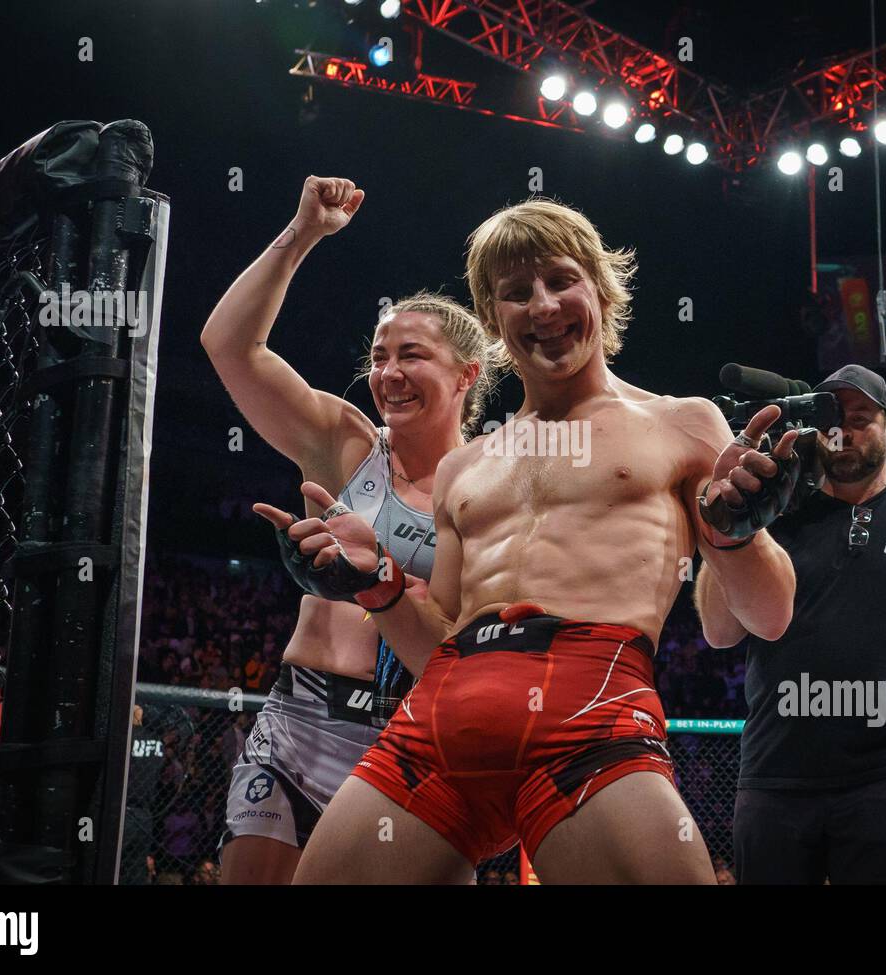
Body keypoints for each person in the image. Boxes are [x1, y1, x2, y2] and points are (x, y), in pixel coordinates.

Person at [257, 197, 799, 884]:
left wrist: (735, 533)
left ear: (601, 289)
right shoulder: (466, 465)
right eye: (515, 292)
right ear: (491, 319)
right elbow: (436, 645)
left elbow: (760, 617)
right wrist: (377, 583)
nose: (542, 306)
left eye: (560, 281)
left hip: (590, 718)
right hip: (440, 720)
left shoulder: (682, 423)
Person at [201, 176, 495, 884]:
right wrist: (301, 236)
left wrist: (384, 580)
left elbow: (467, 645)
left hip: (412, 734)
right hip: (298, 719)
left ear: (466, 375)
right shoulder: (346, 443)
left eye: (411, 356)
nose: (387, 373)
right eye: (379, 356)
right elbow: (229, 345)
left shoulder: (491, 488)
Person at [696, 365, 886, 884]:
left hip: (884, 780)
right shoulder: (776, 516)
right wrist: (734, 530)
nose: (842, 431)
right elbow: (720, 632)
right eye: (831, 418)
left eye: (859, 418)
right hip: (776, 775)